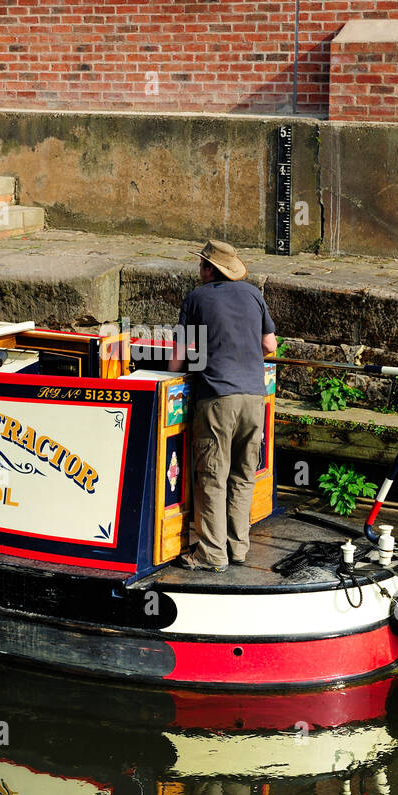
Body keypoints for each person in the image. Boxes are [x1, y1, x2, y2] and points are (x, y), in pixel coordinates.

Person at [169, 239, 277, 571]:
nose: (198, 270)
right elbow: (269, 346)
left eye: (201, 264)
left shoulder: (196, 298)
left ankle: (211, 555)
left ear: (209, 270)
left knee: (212, 477)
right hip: (254, 399)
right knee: (243, 475)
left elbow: (181, 355)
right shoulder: (253, 294)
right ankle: (238, 547)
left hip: (216, 400)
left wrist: (169, 377)